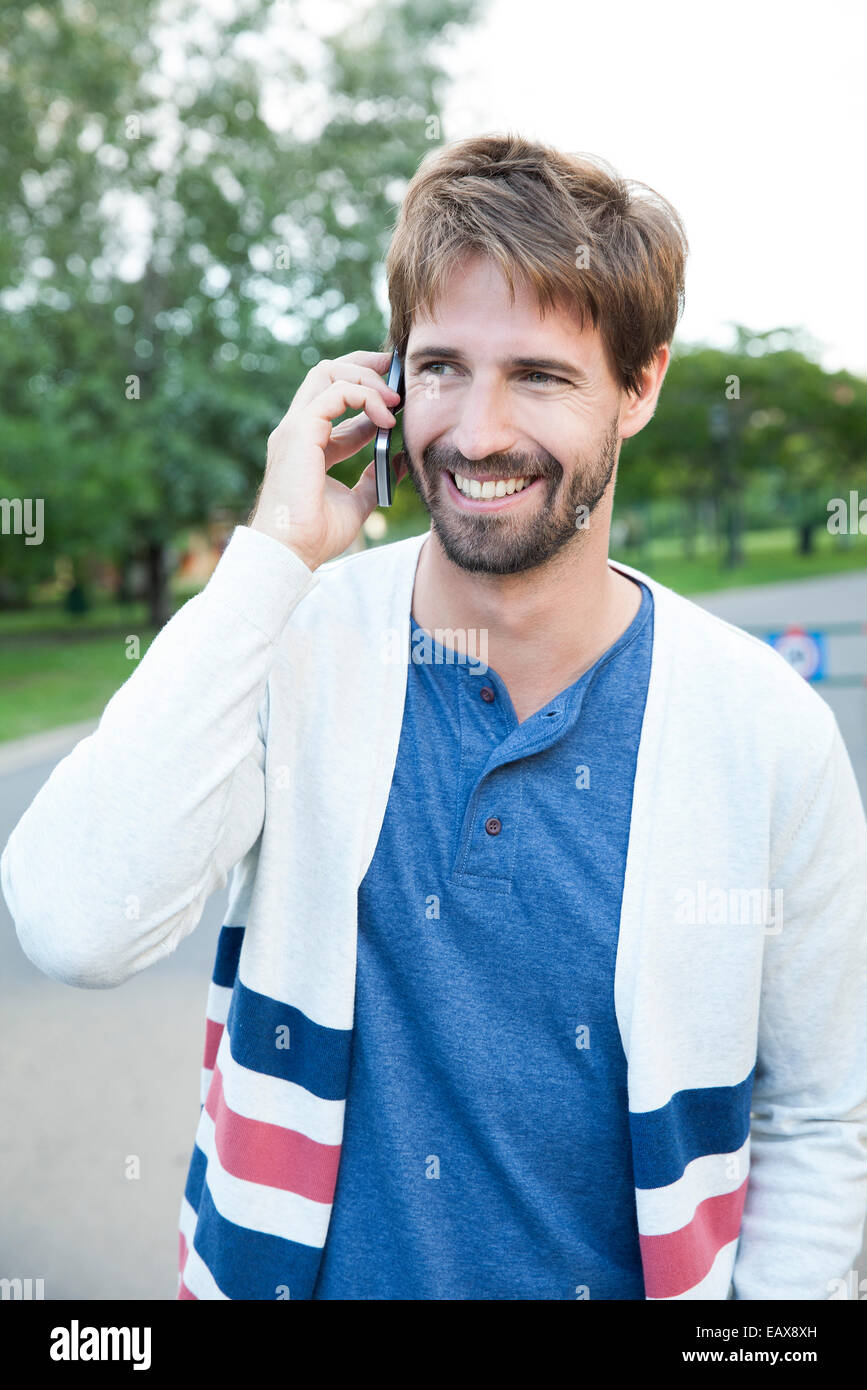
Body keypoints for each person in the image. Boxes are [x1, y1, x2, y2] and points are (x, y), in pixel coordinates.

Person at [3, 133, 866, 1302]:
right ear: (388, 376)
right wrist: (271, 557)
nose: (476, 431)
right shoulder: (292, 637)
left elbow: (818, 1117)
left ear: (644, 381)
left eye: (542, 376)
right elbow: (71, 921)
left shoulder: (767, 733)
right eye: (444, 366)